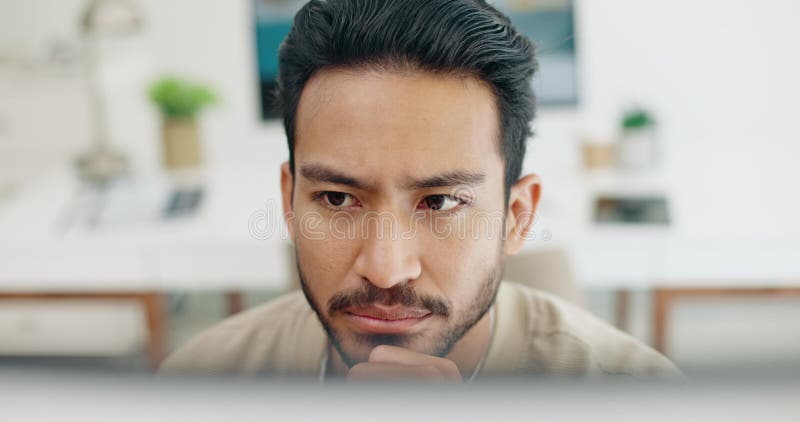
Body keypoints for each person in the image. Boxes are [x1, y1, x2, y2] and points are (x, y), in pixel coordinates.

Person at [160, 0, 681, 381]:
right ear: (288, 202)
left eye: (441, 202)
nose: (386, 269)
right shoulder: (199, 383)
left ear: (517, 217)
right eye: (338, 198)